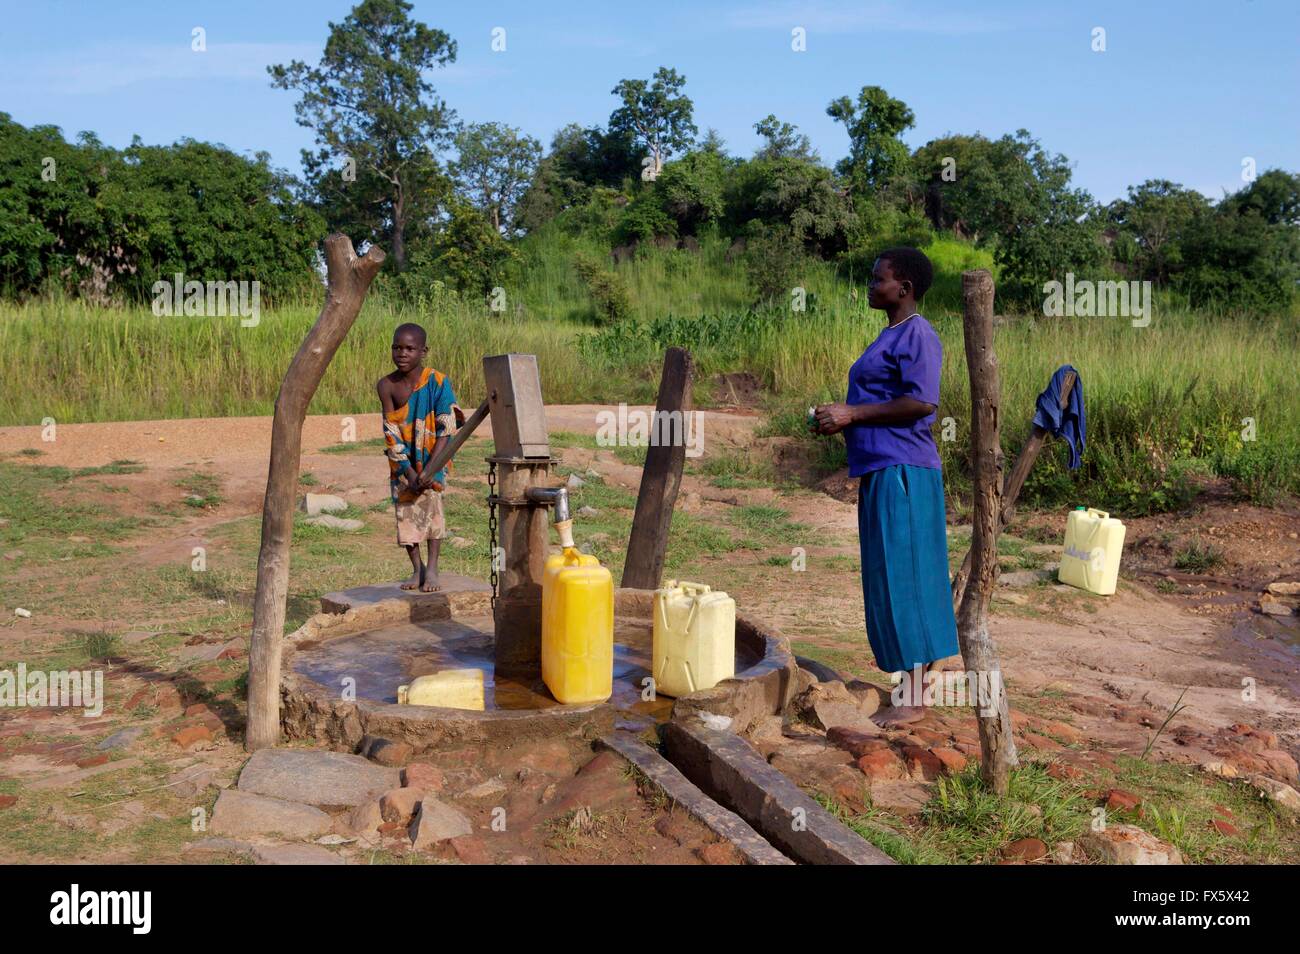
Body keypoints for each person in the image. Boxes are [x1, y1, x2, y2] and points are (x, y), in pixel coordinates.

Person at [813, 248, 959, 726]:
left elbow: (920, 401)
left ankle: (915, 699)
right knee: (887, 577)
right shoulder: (890, 334)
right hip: (880, 468)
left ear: (905, 288)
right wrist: (839, 418)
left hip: (905, 472)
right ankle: (908, 686)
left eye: (879, 279)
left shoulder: (919, 334)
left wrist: (852, 413)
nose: (872, 285)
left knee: (909, 576)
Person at [377, 323, 461, 592]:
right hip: (402, 463)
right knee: (406, 514)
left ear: (423, 351)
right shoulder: (386, 386)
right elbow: (390, 430)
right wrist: (409, 472)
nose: (402, 353)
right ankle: (418, 569)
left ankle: (433, 568)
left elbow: (446, 426)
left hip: (433, 457)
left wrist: (430, 469)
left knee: (433, 513)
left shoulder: (437, 381)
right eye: (397, 347)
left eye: (410, 348)